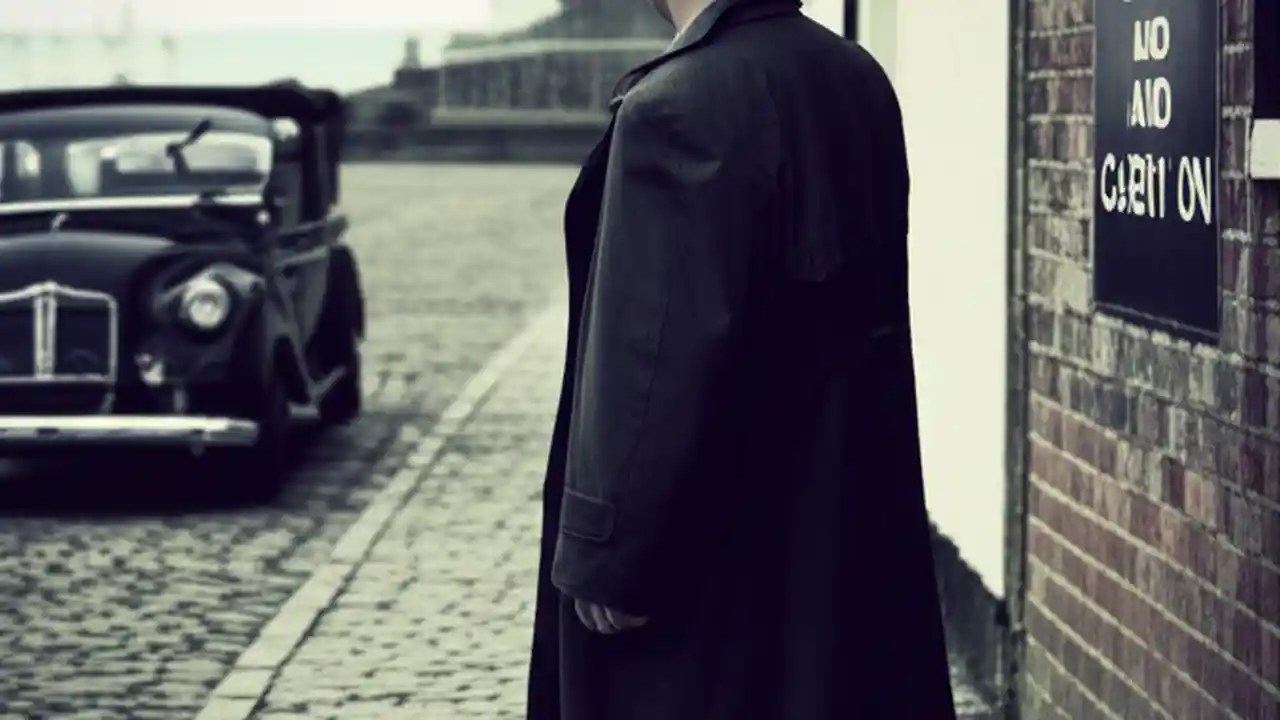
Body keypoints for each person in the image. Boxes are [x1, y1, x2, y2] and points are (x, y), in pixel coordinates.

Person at [525, 0, 958, 717]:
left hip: (709, 582)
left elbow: (655, 350)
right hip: (837, 547)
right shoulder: (855, 77)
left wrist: (610, 554)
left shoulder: (678, 107)